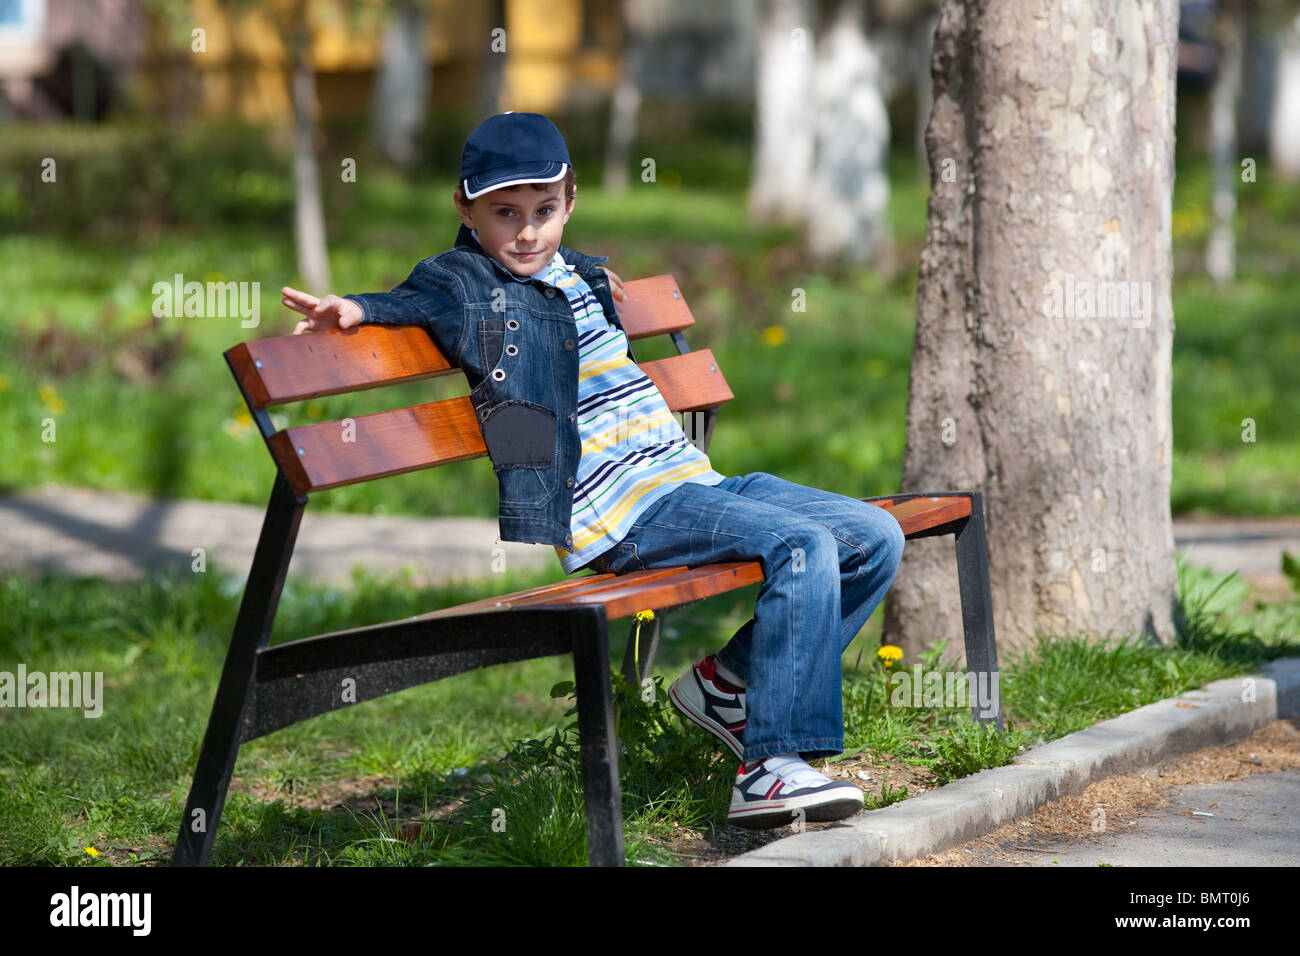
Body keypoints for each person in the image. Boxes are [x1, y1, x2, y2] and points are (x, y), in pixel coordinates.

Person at [282, 111, 905, 830]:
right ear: (464, 209)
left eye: (545, 212)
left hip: (688, 484)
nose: (526, 232)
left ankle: (728, 686)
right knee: (803, 546)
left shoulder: (577, 270)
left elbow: (571, 260)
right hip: (621, 512)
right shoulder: (468, 281)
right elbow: (416, 300)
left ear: (569, 203)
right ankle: (767, 768)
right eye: (504, 213)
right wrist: (354, 309)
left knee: (872, 535)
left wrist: (582, 263)